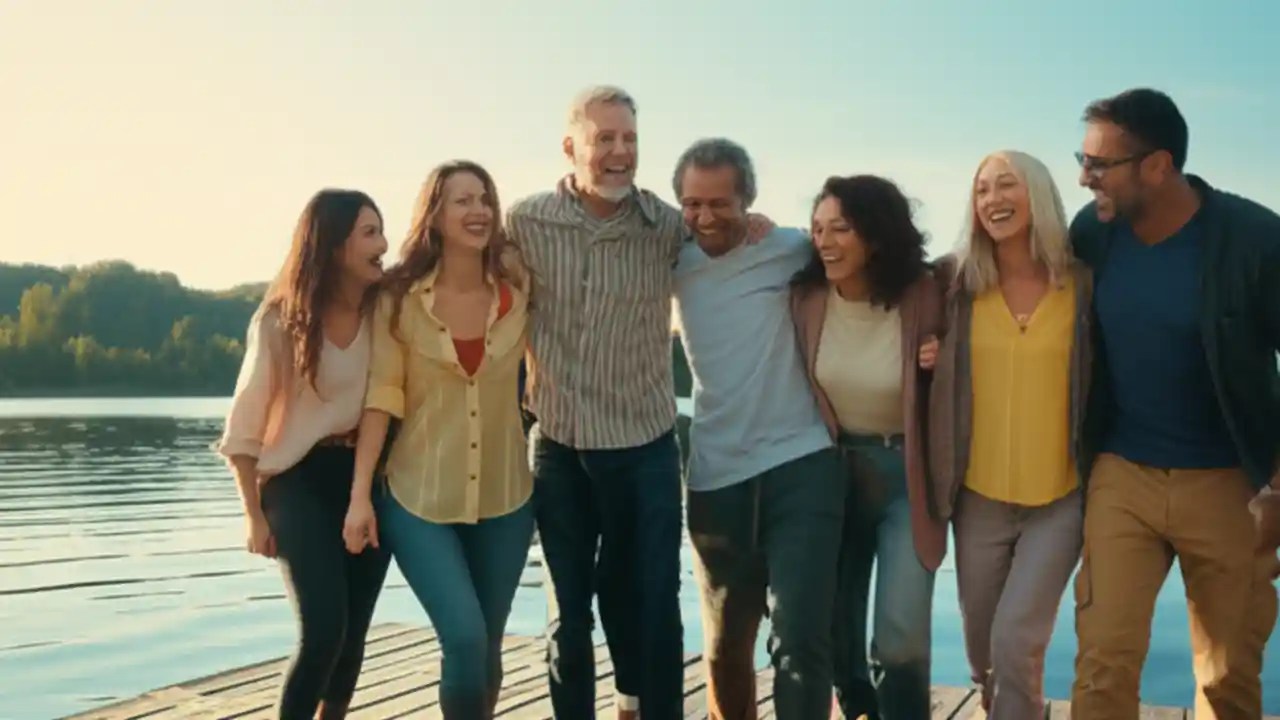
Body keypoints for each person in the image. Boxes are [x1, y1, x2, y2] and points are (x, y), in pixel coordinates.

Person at [506, 85, 770, 719]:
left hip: (645, 446)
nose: (620, 152)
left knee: (650, 601)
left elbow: (725, 236)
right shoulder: (525, 223)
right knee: (569, 613)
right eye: (606, 139)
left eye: (630, 139)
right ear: (571, 147)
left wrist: (750, 221)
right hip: (561, 446)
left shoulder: (667, 227)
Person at [1067, 87, 1280, 720]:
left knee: (1227, 681)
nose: (1084, 178)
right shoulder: (1094, 233)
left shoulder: (1256, 239)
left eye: (1099, 164)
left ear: (1158, 166)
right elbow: (1020, 271)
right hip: (1122, 473)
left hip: (1230, 485)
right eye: (1081, 159)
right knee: (1102, 669)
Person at [343, 161, 535, 718]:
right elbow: (382, 396)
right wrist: (360, 497)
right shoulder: (399, 299)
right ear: (435, 213)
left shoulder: (518, 293)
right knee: (465, 637)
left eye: (485, 199)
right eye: (462, 201)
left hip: (507, 498)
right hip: (417, 498)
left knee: (489, 644)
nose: (478, 211)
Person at [671, 138, 845, 720]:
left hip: (802, 465)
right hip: (716, 476)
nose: (705, 217)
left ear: (749, 199)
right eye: (692, 204)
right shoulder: (671, 257)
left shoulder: (792, 247)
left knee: (798, 638)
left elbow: (872, 265)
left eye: (721, 203)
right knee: (724, 649)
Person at [922, 150, 1090, 719]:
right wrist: (929, 356)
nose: (992, 199)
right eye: (982, 189)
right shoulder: (955, 283)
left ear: (1037, 193)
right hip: (979, 497)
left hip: (1059, 498)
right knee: (982, 649)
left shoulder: (1083, 283)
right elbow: (901, 319)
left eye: (1006, 185)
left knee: (1017, 639)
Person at [217, 188, 392, 720]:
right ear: (335, 245)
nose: (384, 246)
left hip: (367, 478)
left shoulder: (386, 311)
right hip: (297, 481)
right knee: (324, 630)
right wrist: (252, 514)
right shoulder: (279, 320)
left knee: (354, 630)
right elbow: (244, 430)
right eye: (370, 233)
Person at [789, 175, 946, 720]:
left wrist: (944, 355)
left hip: (907, 477)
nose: (825, 241)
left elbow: (976, 338)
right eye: (817, 229)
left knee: (900, 634)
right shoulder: (805, 299)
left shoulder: (926, 294)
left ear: (875, 237)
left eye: (841, 228)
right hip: (831, 473)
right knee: (836, 624)